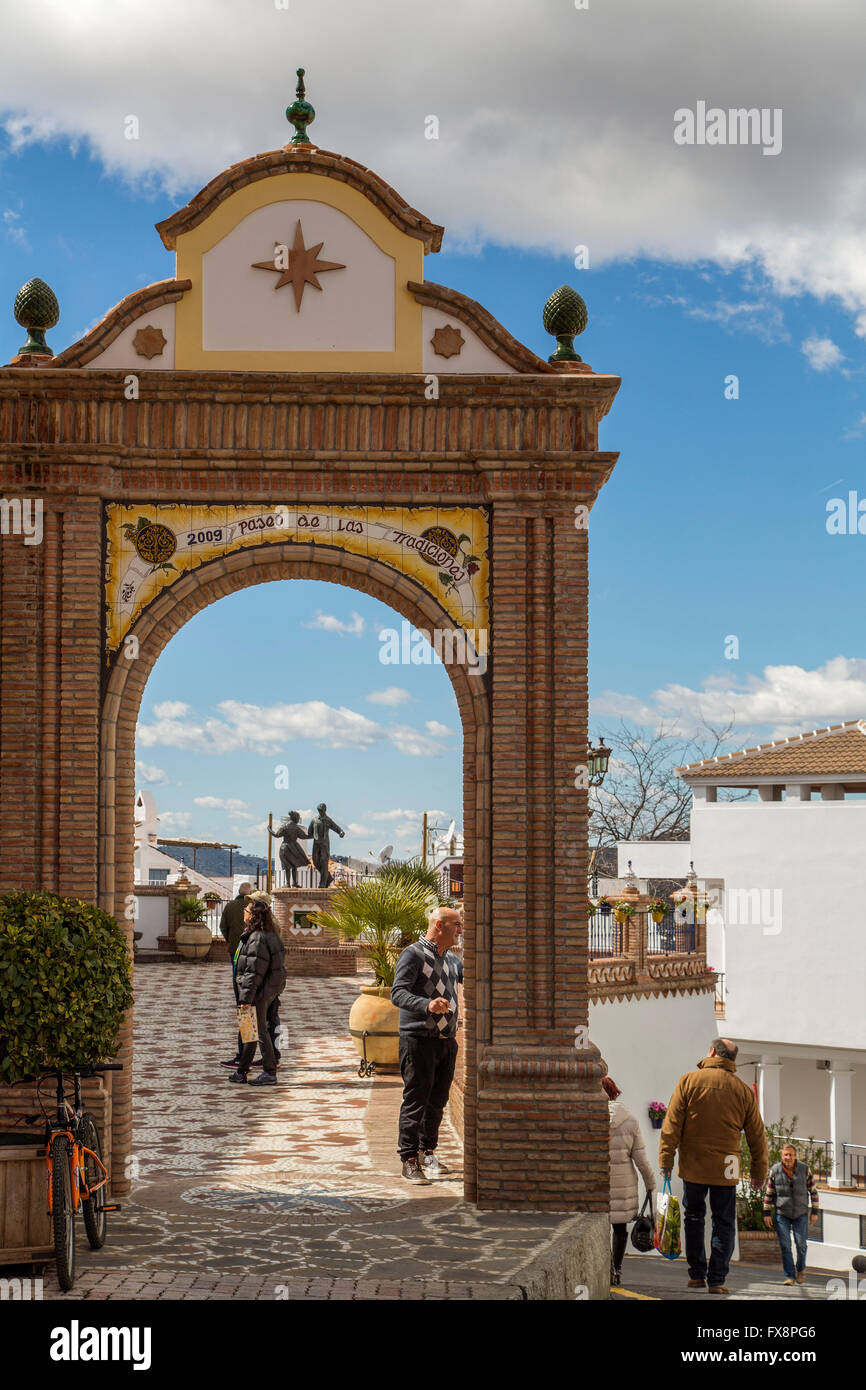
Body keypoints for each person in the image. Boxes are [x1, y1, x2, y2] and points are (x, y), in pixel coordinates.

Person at [659, 1037, 768, 1295]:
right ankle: (717, 1279)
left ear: (711, 1052)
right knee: (724, 1221)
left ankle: (697, 1275)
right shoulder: (742, 1090)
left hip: (693, 1163)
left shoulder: (688, 1081)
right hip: (727, 1166)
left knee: (694, 1217)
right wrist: (758, 1171)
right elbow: (757, 1135)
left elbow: (671, 1126)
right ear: (733, 1060)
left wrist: (666, 1160)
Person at [390, 905, 463, 1183]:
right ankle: (408, 1159)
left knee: (437, 1102)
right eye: (456, 925)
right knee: (415, 1101)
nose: (460, 930)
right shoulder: (413, 954)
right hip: (418, 1040)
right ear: (439, 926)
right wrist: (427, 1004)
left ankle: (427, 1151)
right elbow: (398, 993)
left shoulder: (453, 960)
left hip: (446, 1041)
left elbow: (476, 978)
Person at [229, 897, 287, 1086]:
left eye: (246, 911)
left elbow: (253, 972)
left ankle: (270, 1072)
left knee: (260, 1031)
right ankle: (242, 1071)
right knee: (249, 1031)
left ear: (253, 915)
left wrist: (245, 998)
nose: (243, 914)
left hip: (257, 993)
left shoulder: (258, 939)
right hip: (262, 991)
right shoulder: (265, 934)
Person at [603, 1075, 655, 1286]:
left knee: (597, 1227)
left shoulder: (590, 1120)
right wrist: (651, 1184)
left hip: (598, 1185)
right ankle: (617, 1269)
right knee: (619, 1229)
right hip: (623, 1186)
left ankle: (604, 1267)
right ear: (615, 1093)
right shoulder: (630, 1121)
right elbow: (641, 1158)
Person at [763, 1143, 820, 1285]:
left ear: (795, 1156)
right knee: (785, 1245)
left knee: (801, 1244)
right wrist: (766, 1213)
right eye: (786, 1155)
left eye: (791, 1155)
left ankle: (800, 1269)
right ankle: (789, 1276)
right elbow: (769, 1193)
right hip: (782, 1213)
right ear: (782, 1156)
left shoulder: (805, 1169)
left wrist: (814, 1211)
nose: (788, 1157)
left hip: (800, 1213)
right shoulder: (774, 1170)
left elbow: (813, 1192)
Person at [218, 882, 251, 1069]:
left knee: (246, 1014)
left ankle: (244, 1060)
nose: (244, 914)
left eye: (247, 912)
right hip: (259, 987)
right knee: (258, 1021)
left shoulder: (248, 944)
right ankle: (269, 1060)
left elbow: (223, 927)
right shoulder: (264, 938)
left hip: (248, 985)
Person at [268, 811, 311, 888]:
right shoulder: (296, 827)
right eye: (298, 818)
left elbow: (277, 835)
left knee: (287, 866)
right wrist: (314, 835)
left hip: (285, 847)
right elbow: (304, 836)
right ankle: (294, 883)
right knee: (295, 866)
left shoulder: (285, 826)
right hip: (294, 847)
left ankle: (288, 884)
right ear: (295, 818)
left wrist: (269, 829)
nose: (298, 819)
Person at [307, 802, 345, 887]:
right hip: (316, 844)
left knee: (324, 862)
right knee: (315, 861)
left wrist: (341, 832)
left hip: (324, 844)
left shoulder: (328, 820)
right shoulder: (314, 820)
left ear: (325, 810)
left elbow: (336, 827)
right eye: (319, 810)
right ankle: (328, 877)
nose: (320, 812)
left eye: (321, 810)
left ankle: (323, 882)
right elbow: (309, 833)